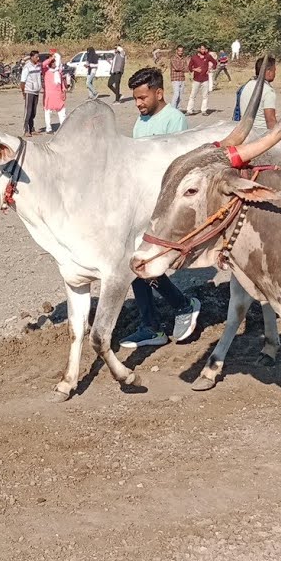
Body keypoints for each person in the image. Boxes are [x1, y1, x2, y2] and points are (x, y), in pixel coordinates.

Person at [121, 66, 201, 349]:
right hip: (142, 202)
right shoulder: (140, 123)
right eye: (135, 98)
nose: (139, 103)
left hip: (164, 207)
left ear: (159, 93)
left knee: (141, 261)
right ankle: (153, 324)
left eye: (143, 97)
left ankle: (179, 307)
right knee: (134, 260)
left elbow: (180, 169)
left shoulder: (174, 120)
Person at [236, 56, 278, 128]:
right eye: (274, 70)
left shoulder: (246, 85)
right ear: (268, 72)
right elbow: (270, 120)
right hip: (261, 131)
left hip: (245, 129)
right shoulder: (268, 91)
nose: (275, 73)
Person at [42, 54, 68, 133]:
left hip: (58, 95)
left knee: (62, 112)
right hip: (49, 95)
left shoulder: (58, 71)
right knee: (48, 112)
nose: (54, 63)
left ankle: (63, 128)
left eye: (55, 62)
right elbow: (43, 64)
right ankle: (48, 128)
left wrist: (64, 91)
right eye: (52, 62)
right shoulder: (46, 71)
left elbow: (62, 83)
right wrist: (51, 58)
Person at [19, 50, 43, 136]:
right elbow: (22, 82)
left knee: (33, 112)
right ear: (32, 57)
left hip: (36, 91)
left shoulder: (38, 66)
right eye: (36, 57)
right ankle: (26, 130)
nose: (38, 58)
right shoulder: (27, 67)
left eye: (38, 57)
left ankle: (32, 129)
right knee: (28, 111)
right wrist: (23, 92)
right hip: (29, 91)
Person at [187, 44, 212, 114]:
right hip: (196, 79)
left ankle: (204, 110)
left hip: (205, 79)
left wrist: (210, 69)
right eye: (202, 49)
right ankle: (189, 110)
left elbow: (215, 63)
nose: (203, 51)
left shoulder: (208, 56)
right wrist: (195, 69)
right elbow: (189, 67)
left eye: (204, 49)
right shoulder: (194, 57)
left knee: (205, 96)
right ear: (199, 49)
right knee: (192, 95)